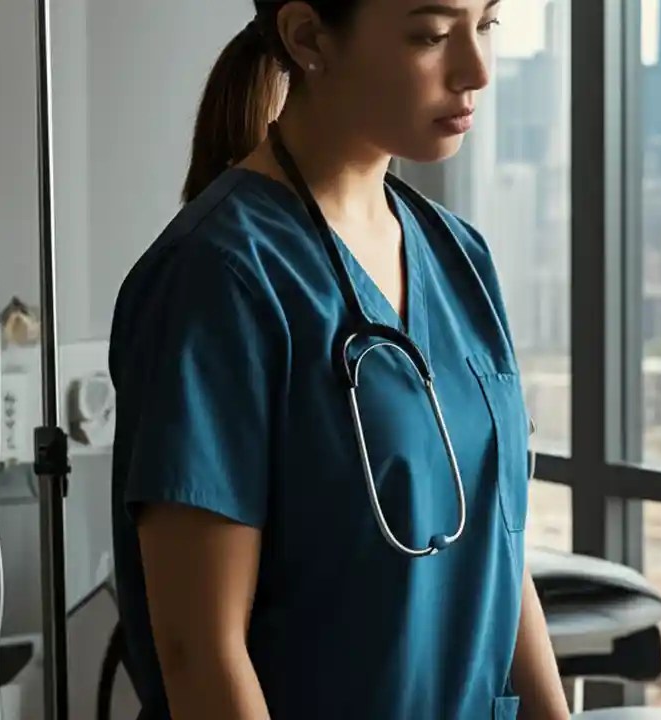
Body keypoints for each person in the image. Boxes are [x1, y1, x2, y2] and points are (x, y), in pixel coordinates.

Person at [107, 2, 571, 719]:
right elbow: (199, 652)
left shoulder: (460, 259)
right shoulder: (220, 277)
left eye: (487, 26)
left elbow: (498, 554)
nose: (476, 69)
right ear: (308, 37)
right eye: (431, 35)